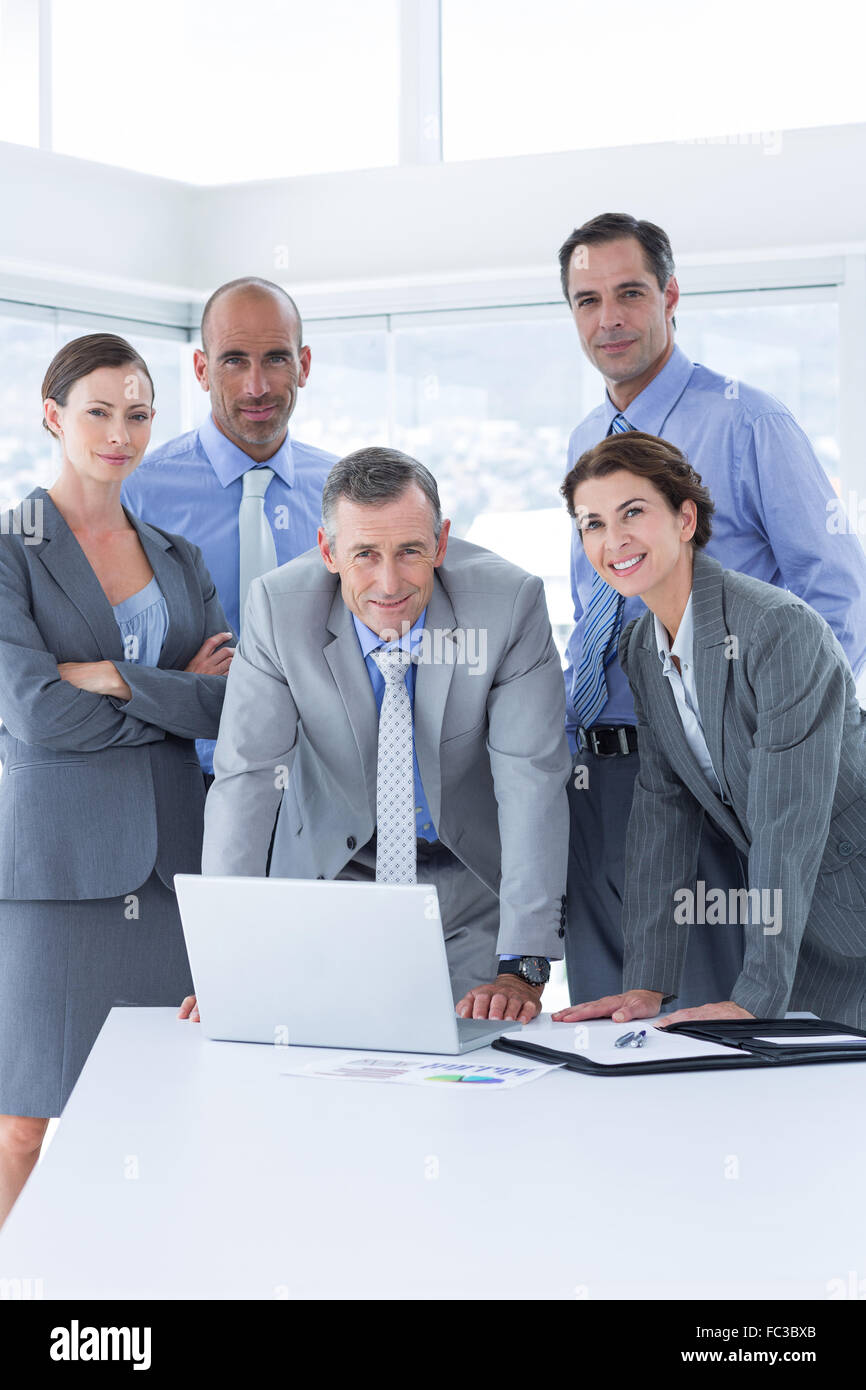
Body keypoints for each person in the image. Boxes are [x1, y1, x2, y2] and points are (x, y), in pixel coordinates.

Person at [558, 211, 866, 1007]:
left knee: (732, 1018)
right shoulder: (587, 439)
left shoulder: (748, 420)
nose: (609, 318)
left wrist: (777, 746)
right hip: (608, 767)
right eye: (588, 300)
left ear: (670, 297)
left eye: (630, 293)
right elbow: (596, 598)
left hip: (738, 777)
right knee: (622, 1017)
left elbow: (836, 591)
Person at [180, 447, 572, 1026]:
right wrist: (225, 956)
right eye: (364, 554)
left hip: (466, 878)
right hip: (332, 872)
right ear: (328, 552)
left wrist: (524, 965)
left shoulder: (508, 606)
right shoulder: (279, 609)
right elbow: (248, 779)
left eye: (410, 551)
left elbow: (531, 780)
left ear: (440, 543)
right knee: (311, 1058)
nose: (389, 583)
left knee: (466, 1059)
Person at [0, 334, 233, 1228]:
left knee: (161, 1108)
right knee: (22, 1122)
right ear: (52, 416)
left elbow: (227, 706)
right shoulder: (12, 550)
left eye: (137, 415)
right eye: (97, 412)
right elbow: (35, 713)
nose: (118, 434)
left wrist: (103, 675)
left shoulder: (177, 556)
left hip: (171, 869)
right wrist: (169, 693)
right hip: (55, 871)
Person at [553, 430, 866, 1030]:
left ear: (685, 519)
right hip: (793, 927)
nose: (613, 540)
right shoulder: (641, 646)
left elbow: (785, 822)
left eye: (633, 513)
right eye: (592, 523)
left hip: (848, 903)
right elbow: (663, 808)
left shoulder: (777, 628)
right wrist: (646, 983)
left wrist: (757, 995)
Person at [122, 276, 336, 776]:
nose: (256, 387)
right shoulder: (137, 495)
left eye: (276, 359)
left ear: (304, 365)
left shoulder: (344, 492)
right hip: (186, 771)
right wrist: (179, 686)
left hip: (319, 773)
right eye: (234, 360)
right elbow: (106, 648)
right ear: (202, 369)